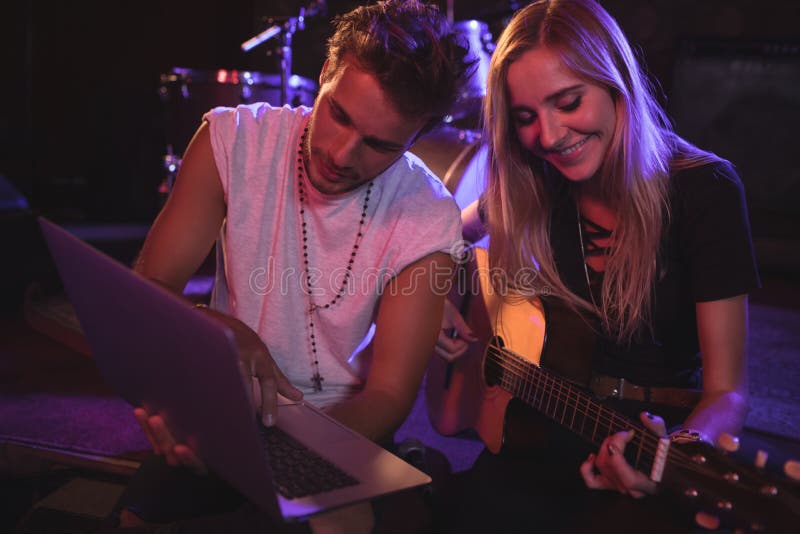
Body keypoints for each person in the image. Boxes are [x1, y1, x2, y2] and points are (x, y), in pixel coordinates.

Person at [109, 0, 473, 531]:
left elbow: (389, 396)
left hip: (345, 431)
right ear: (325, 73)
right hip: (222, 413)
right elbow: (150, 289)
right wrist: (212, 329)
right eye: (339, 115)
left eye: (378, 144)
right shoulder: (230, 140)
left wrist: (274, 456)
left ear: (415, 139)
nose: (343, 154)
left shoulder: (428, 211)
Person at [433, 0, 759, 532]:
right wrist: (439, 298)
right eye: (526, 118)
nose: (551, 135)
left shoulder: (706, 190)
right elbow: (442, 236)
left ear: (615, 83)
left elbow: (729, 392)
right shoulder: (535, 178)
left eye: (568, 102)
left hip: (646, 443)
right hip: (533, 432)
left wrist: (673, 456)